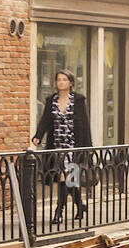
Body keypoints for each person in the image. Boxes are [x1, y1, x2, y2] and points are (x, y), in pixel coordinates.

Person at [34, 69, 91, 225]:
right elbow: (45, 120)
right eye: (59, 79)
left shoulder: (78, 100)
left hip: (73, 146)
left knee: (64, 178)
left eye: (64, 79)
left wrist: (88, 148)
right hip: (57, 146)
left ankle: (59, 211)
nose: (61, 82)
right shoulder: (51, 100)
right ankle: (80, 206)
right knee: (68, 179)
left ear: (70, 83)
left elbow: (84, 125)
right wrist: (38, 136)